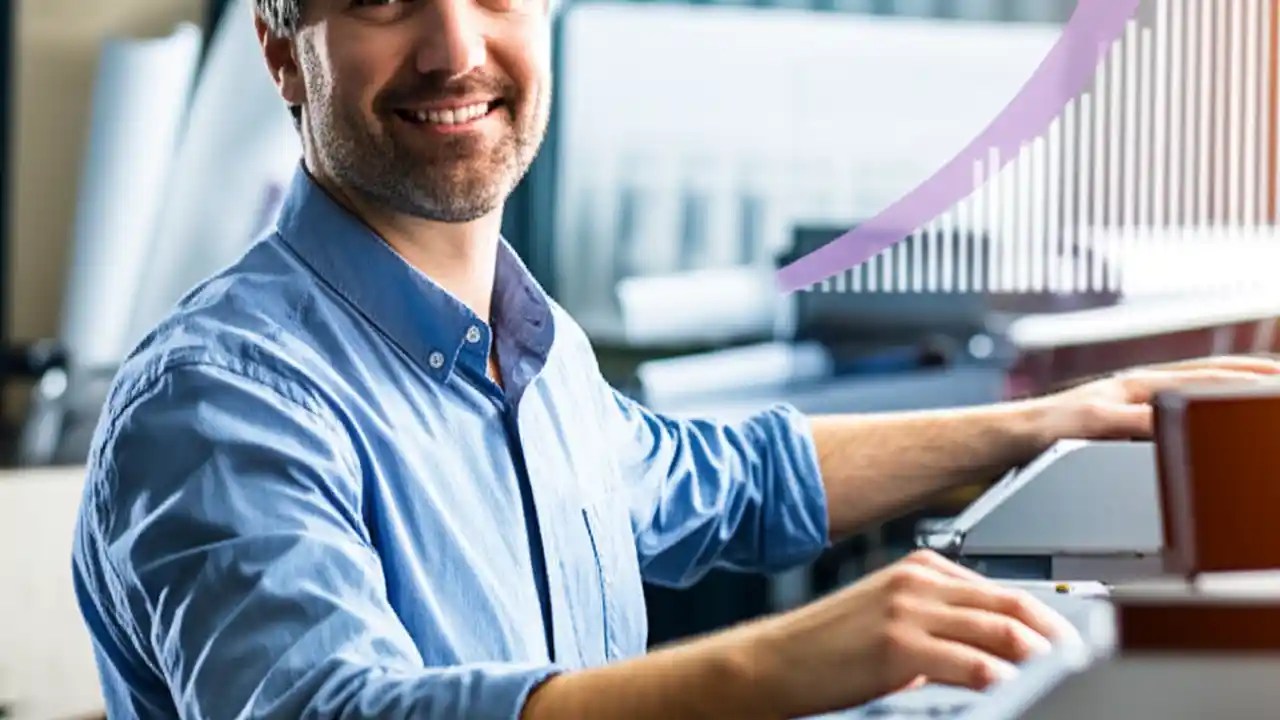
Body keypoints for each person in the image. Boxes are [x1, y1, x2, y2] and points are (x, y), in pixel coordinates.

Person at [70, 0, 1280, 718]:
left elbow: (714, 479)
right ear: (284, 54)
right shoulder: (222, 399)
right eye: (383, 0)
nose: (455, 49)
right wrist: (782, 666)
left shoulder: (532, 347)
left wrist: (1051, 419)